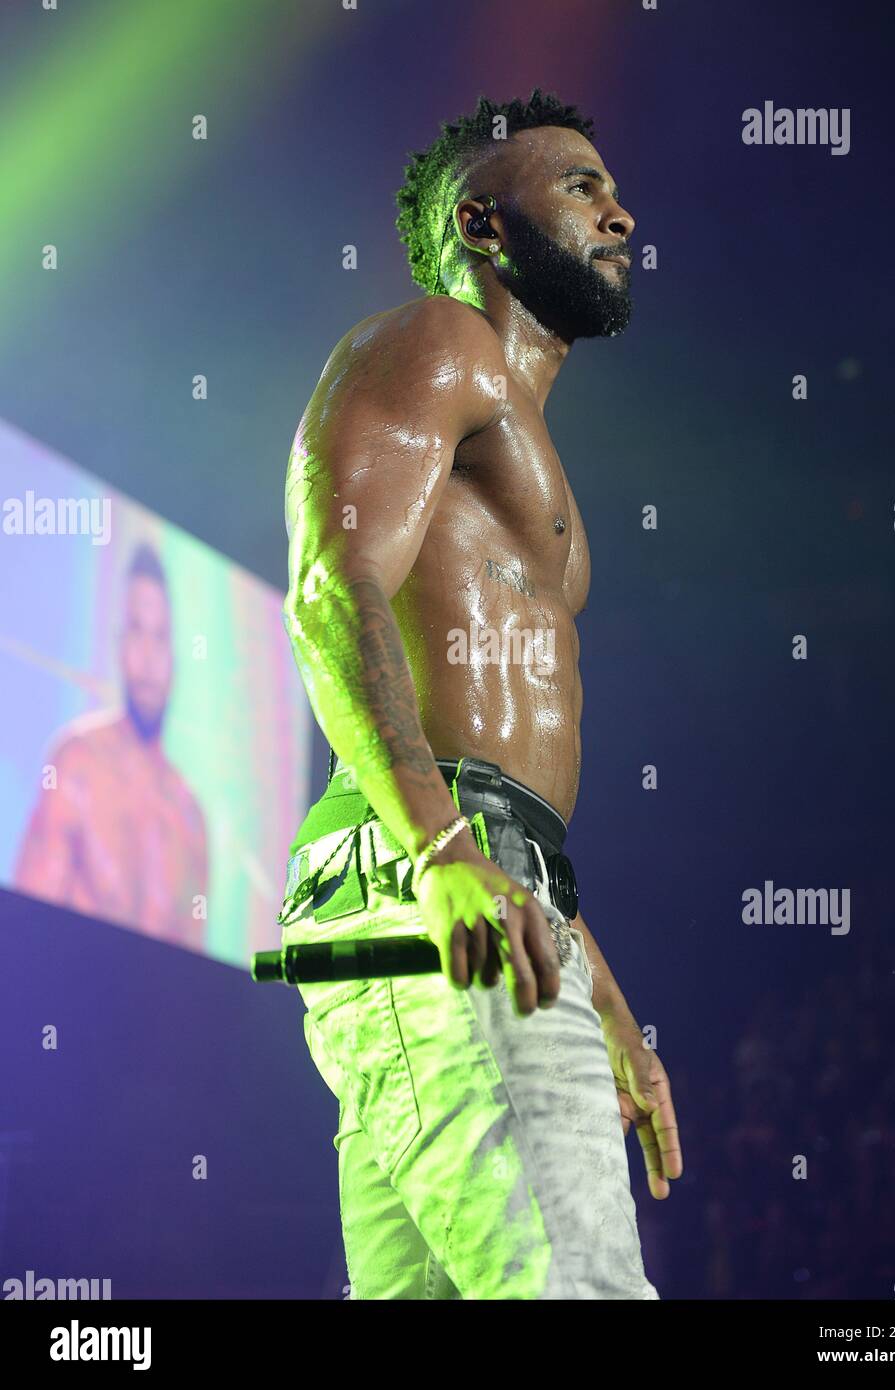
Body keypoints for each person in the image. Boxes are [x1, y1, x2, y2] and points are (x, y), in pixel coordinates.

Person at [279, 88, 681, 1299]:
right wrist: (441, 845)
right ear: (485, 226)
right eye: (581, 188)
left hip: (464, 892)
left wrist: (607, 1002)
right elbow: (329, 586)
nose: (621, 214)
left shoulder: (543, 480)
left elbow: (506, 791)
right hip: (425, 876)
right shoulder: (437, 345)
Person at [14, 542, 208, 950]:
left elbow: (191, 980)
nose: (148, 657)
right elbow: (24, 935)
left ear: (175, 656)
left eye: (161, 637)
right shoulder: (77, 764)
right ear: (119, 645)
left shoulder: (188, 817)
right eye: (136, 631)